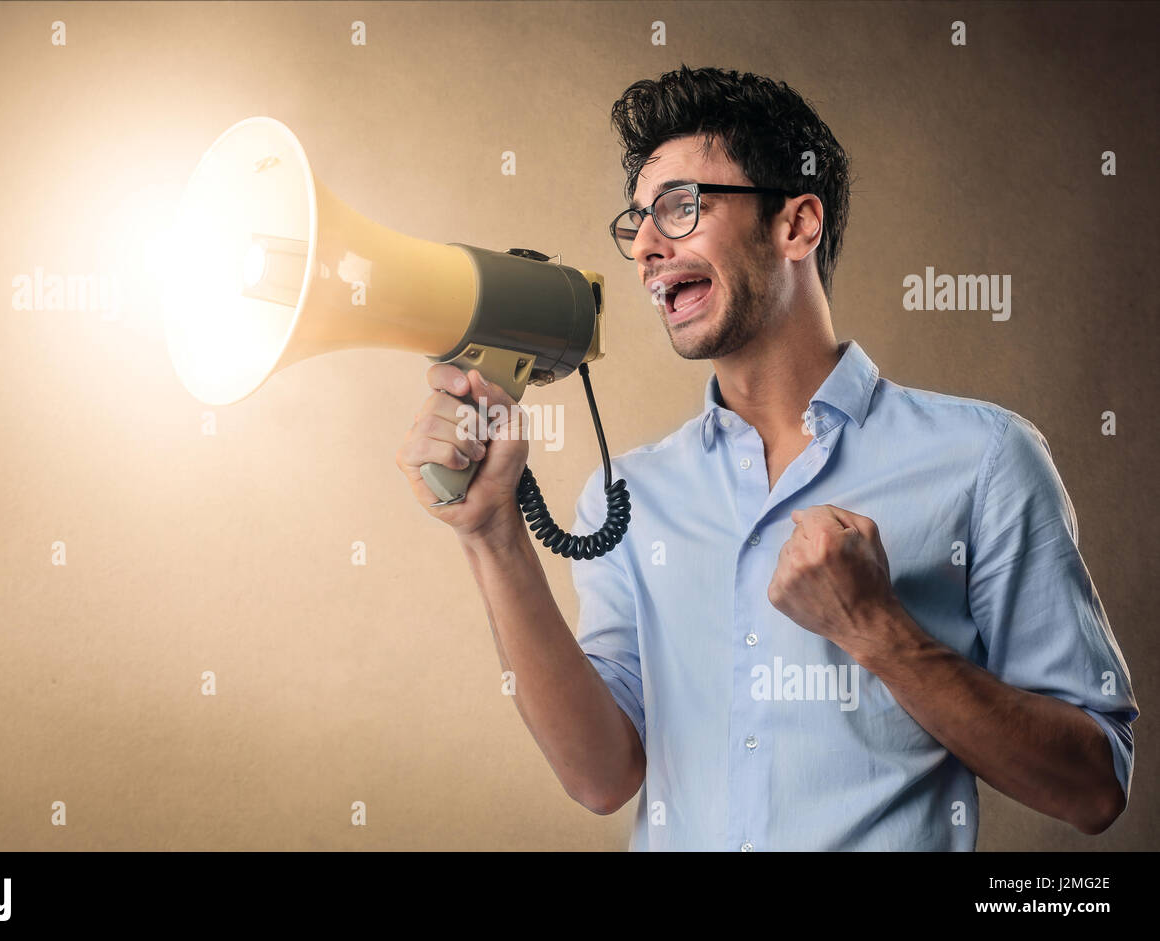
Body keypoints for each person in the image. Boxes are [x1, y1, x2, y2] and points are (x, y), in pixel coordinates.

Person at [394, 65, 1137, 851]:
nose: (645, 247)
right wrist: (490, 534)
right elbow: (602, 775)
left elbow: (1095, 786)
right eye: (638, 222)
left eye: (681, 208)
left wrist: (878, 630)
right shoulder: (629, 494)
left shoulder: (984, 459)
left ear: (796, 225)